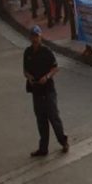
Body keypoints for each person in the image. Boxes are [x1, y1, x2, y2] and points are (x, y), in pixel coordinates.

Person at [23, 25, 69, 157]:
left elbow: (55, 68)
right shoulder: (27, 53)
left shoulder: (47, 52)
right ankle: (43, 148)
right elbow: (25, 71)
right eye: (33, 36)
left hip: (48, 90)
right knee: (41, 120)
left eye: (37, 36)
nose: (35, 39)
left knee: (54, 117)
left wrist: (47, 77)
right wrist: (29, 77)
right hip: (36, 90)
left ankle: (63, 141)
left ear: (40, 36)